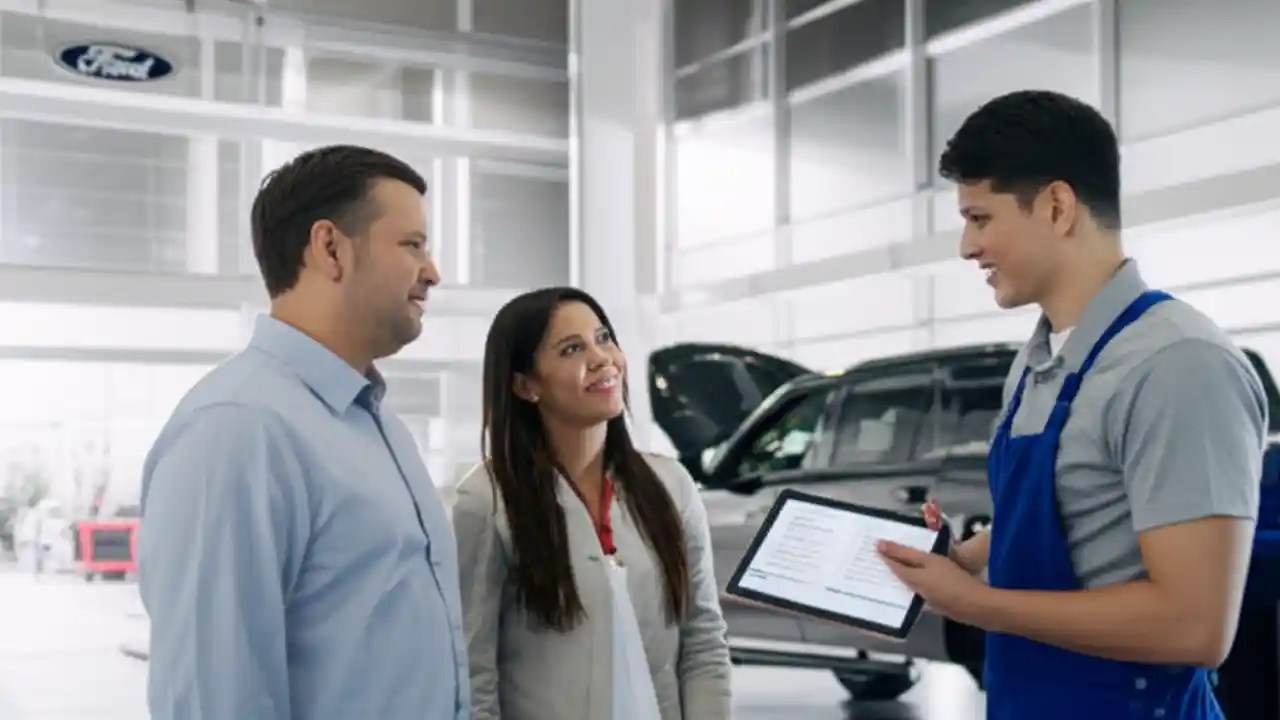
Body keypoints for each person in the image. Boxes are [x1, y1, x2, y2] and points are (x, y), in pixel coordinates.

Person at [876, 90, 1269, 719]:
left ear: (1057, 207)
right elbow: (1079, 507)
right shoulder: (1036, 362)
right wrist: (961, 558)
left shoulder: (1178, 364)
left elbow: (1195, 626)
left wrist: (974, 604)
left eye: (980, 218)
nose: (966, 247)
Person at [138, 145, 469, 720]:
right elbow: (216, 699)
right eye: (412, 245)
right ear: (331, 248)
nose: (432, 272)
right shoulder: (238, 430)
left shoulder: (377, 423)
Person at [452, 287, 732, 720]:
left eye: (603, 338)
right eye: (572, 348)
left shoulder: (670, 485)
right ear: (526, 385)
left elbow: (703, 644)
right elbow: (474, 674)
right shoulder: (486, 501)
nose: (602, 358)